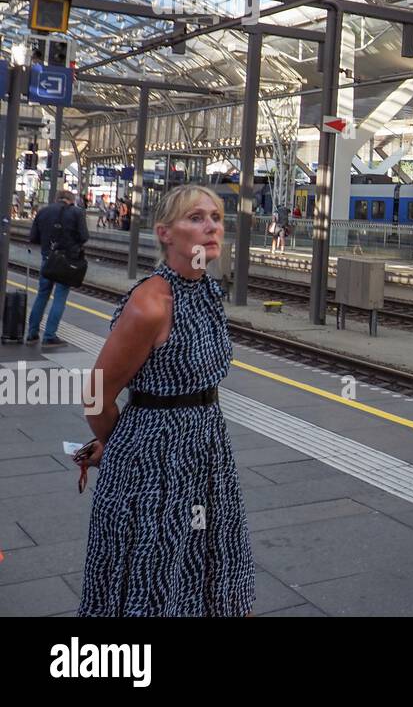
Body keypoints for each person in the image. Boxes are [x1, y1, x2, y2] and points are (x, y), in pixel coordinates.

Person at [76, 185, 255, 617]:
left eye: (216, 217)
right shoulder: (151, 304)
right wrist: (122, 447)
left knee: (213, 562)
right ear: (164, 233)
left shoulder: (207, 291)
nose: (211, 225)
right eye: (195, 217)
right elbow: (97, 395)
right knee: (154, 574)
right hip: (154, 464)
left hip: (207, 454)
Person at [26, 189, 89, 348]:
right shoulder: (76, 213)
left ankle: (32, 334)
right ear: (71, 200)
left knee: (42, 295)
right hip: (66, 262)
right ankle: (49, 336)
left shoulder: (43, 212)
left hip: (47, 260)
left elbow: (33, 237)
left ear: (57, 199)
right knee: (60, 297)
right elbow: (84, 236)